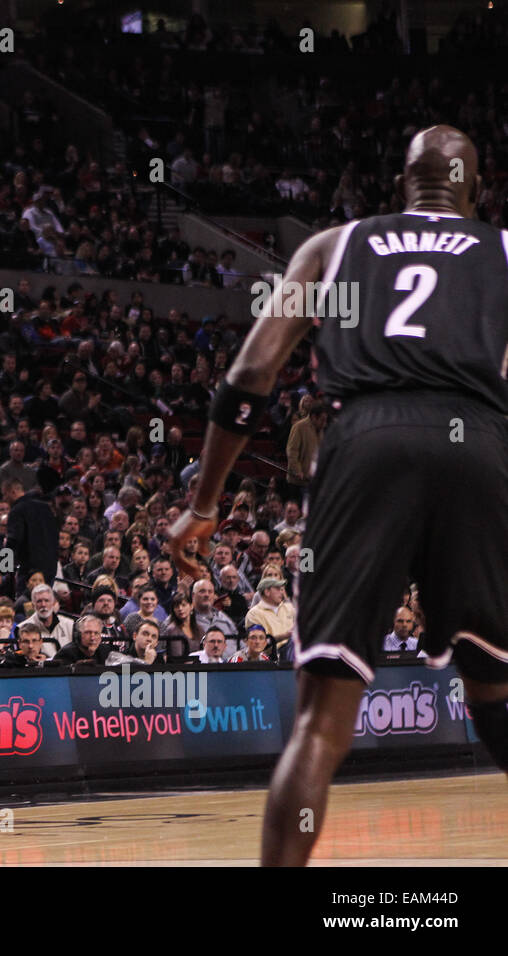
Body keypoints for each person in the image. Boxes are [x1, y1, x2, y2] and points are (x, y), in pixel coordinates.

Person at [168, 125, 508, 866]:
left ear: (400, 189)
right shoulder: (502, 251)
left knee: (321, 722)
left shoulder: (337, 246)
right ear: (474, 193)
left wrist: (204, 502)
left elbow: (250, 376)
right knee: (494, 691)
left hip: (365, 442)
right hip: (477, 440)